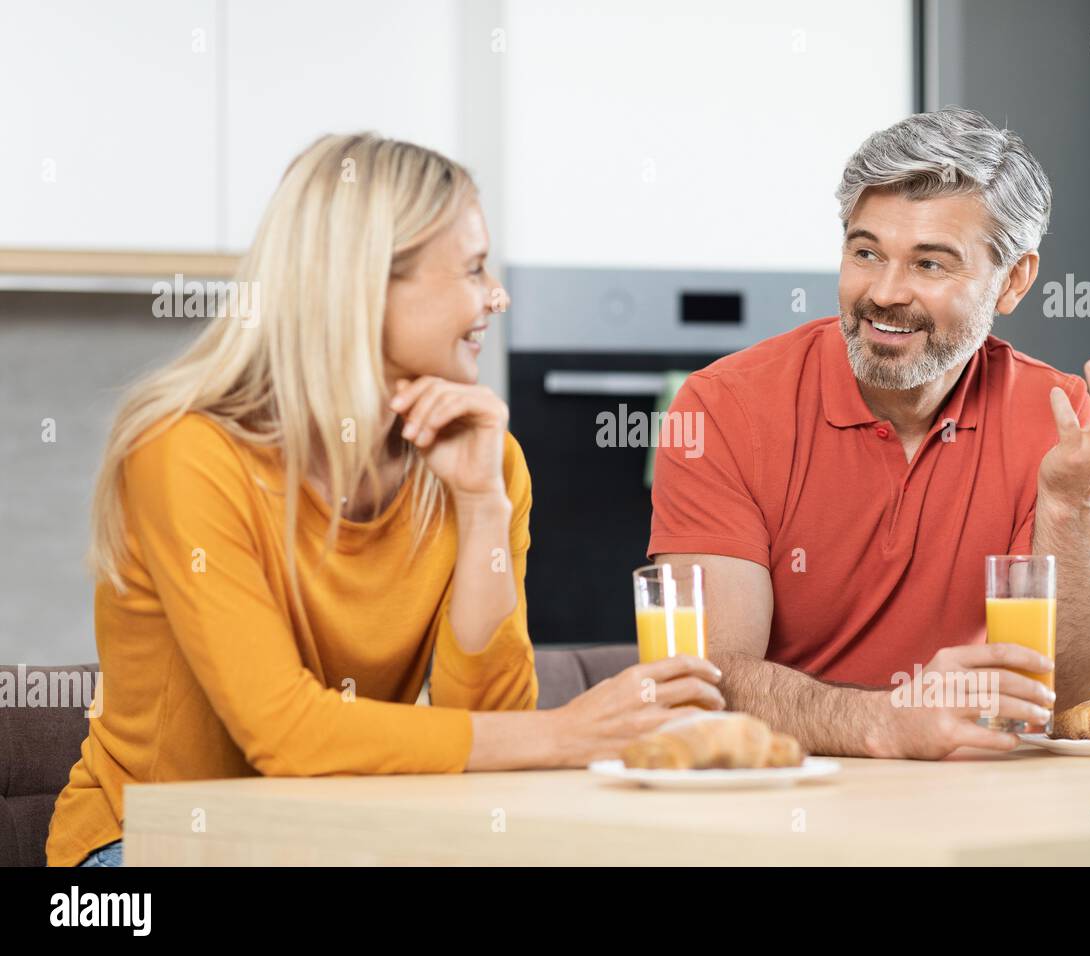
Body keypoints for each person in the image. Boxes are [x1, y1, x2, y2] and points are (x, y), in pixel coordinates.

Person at [47, 133, 723, 867]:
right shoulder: (188, 453)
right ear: (365, 283)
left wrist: (481, 505)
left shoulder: (483, 456)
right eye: (471, 269)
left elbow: (490, 725)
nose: (497, 296)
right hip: (148, 848)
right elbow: (286, 735)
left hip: (343, 841)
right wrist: (570, 732)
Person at [647, 107, 1090, 760]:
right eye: (866, 252)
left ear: (1013, 280)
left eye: (929, 265)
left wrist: (1070, 503)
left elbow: (1077, 686)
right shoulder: (720, 408)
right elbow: (707, 681)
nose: (885, 292)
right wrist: (886, 722)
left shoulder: (1057, 414)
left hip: (979, 794)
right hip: (785, 794)